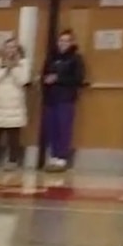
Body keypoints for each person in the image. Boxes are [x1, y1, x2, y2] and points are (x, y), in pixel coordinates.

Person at [40, 29, 87, 171]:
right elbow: (44, 74)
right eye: (61, 41)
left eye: (66, 41)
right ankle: (53, 156)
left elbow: (78, 78)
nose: (63, 44)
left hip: (65, 98)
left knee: (63, 128)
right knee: (51, 128)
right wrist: (46, 81)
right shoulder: (51, 57)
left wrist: (58, 79)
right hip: (50, 98)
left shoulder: (76, 58)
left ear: (71, 43)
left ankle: (62, 157)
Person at [0, 37, 30, 170]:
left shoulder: (23, 63)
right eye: (8, 47)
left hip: (14, 104)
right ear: (3, 49)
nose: (10, 50)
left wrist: (14, 67)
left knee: (13, 135)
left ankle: (12, 161)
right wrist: (4, 69)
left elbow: (23, 80)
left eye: (13, 47)